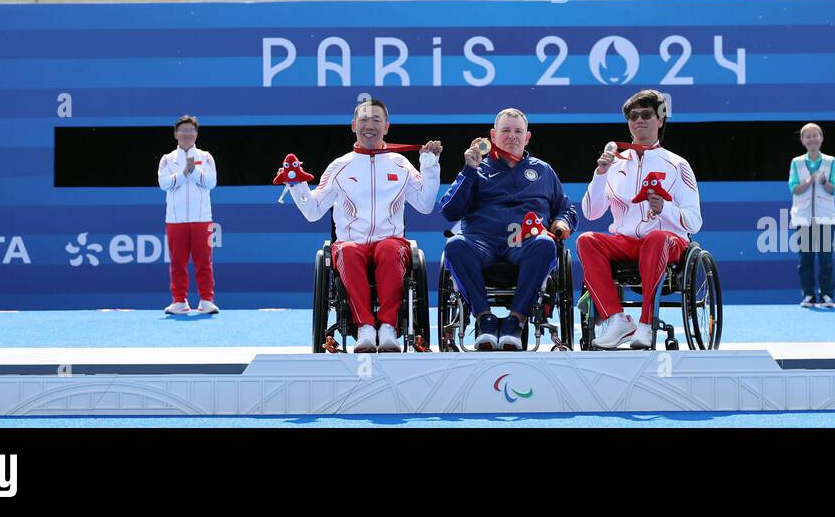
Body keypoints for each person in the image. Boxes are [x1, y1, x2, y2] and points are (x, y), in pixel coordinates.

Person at [286, 99, 442, 352]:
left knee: (389, 249)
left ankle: (388, 328)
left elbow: (425, 205)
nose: (370, 125)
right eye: (364, 120)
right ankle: (365, 328)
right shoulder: (339, 167)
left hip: (390, 243)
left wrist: (430, 166)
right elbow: (313, 211)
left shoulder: (401, 164)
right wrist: (295, 185)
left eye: (376, 120)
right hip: (351, 244)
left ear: (387, 127)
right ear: (353, 125)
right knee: (346, 250)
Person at [439, 108, 576, 350]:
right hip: (482, 242)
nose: (511, 136)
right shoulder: (476, 168)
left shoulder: (543, 171)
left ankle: (516, 321)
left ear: (527, 137)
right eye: (505, 131)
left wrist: (562, 222)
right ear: (493, 135)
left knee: (546, 244)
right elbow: (450, 211)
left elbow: (565, 209)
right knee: (455, 245)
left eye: (517, 131)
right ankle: (485, 319)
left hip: (526, 242)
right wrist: (469, 170)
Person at [578, 89, 703, 349]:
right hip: (626, 241)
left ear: (660, 119)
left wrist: (665, 209)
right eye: (633, 116)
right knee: (587, 240)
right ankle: (617, 319)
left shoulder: (678, 164)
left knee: (656, 238)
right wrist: (600, 174)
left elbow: (694, 222)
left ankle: (647, 323)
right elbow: (591, 213)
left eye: (646, 115)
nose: (639, 121)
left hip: (667, 242)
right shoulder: (614, 163)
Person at [157, 115, 219, 315]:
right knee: (177, 262)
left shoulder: (206, 156)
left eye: (191, 130)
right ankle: (179, 300)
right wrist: (184, 173)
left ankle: (206, 300)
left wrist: (195, 172)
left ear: (196, 134)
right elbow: (163, 184)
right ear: (176, 134)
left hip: (202, 218)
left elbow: (211, 183)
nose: (187, 134)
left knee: (204, 261)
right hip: (176, 220)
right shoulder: (167, 159)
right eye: (183, 130)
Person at [789, 122, 835, 307]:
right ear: (802, 140)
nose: (812, 139)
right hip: (803, 218)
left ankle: (827, 295)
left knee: (826, 258)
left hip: (825, 218)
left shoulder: (831, 162)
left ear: (821, 138)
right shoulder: (797, 162)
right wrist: (810, 180)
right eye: (807, 136)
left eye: (815, 135)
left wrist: (825, 182)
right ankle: (808, 295)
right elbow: (794, 188)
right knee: (805, 258)